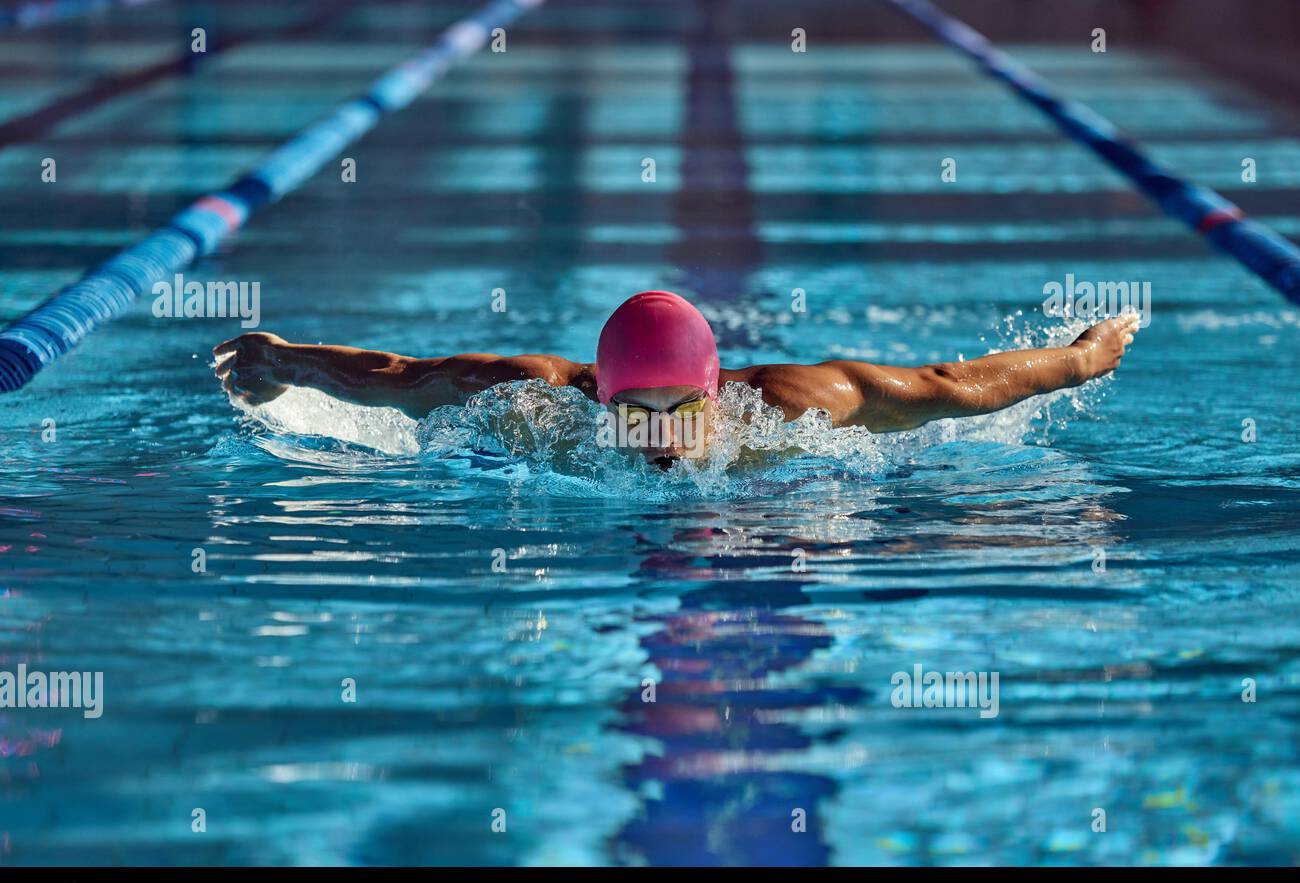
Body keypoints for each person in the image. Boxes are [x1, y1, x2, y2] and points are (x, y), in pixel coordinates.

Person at [213, 289, 1139, 469]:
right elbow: (404, 377)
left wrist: (1083, 357)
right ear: (599, 397)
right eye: (635, 412)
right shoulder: (544, 404)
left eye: (679, 410)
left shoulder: (789, 411)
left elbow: (954, 383)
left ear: (717, 393)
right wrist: (287, 364)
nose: (656, 437)